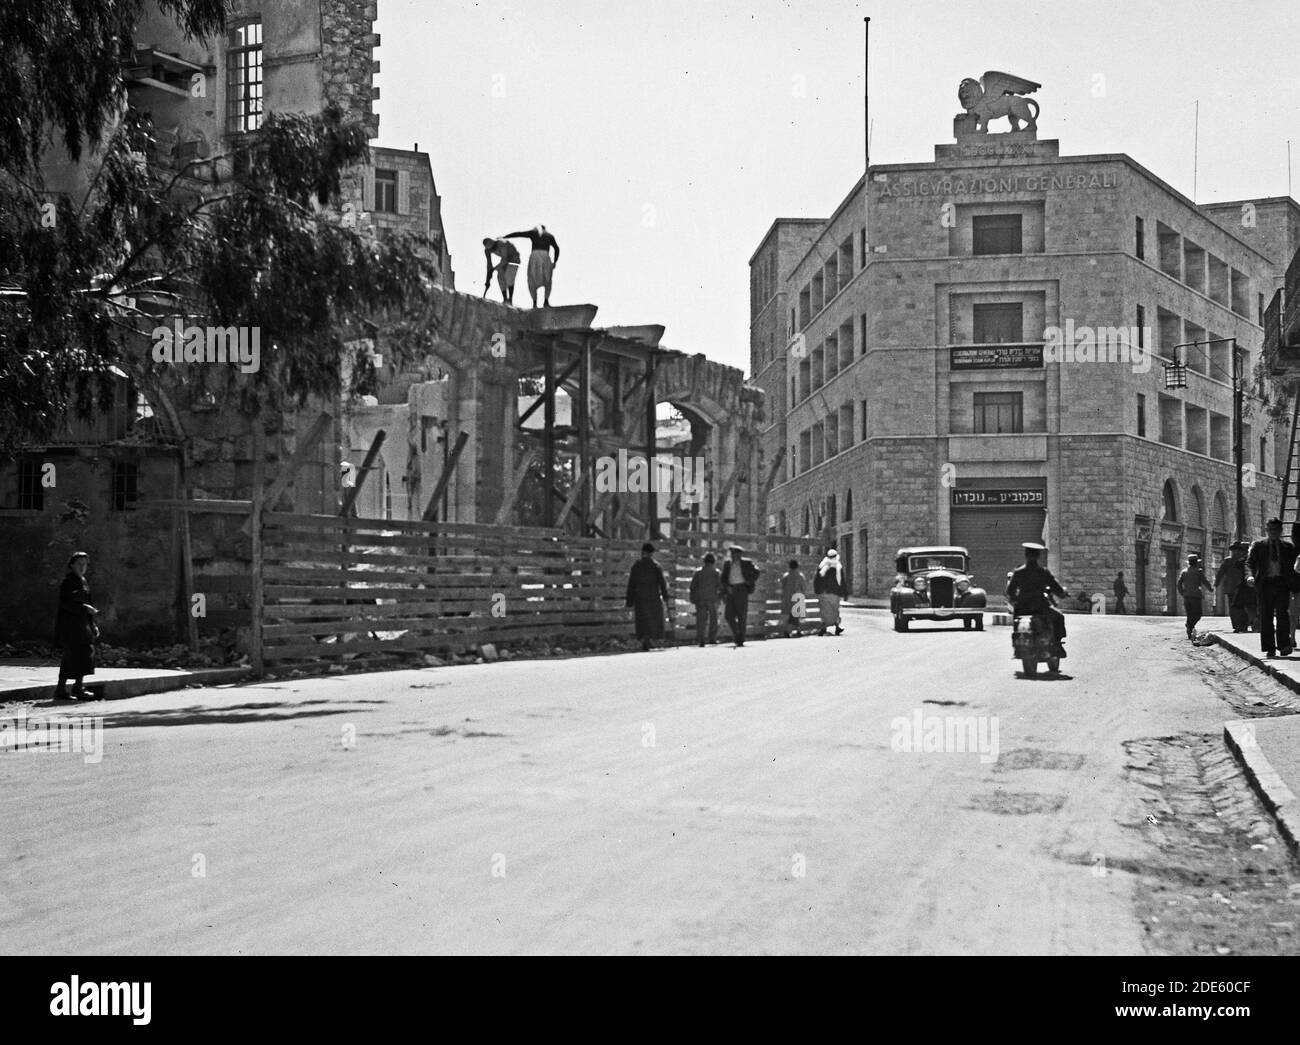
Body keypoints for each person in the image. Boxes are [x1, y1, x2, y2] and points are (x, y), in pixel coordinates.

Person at [1246, 518, 1298, 657]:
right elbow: (1249, 563)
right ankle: (1269, 647)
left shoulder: (1288, 548)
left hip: (1282, 584)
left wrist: (1294, 584)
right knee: (1266, 616)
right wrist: (1250, 576)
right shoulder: (1258, 546)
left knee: (1282, 614)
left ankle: (1284, 645)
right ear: (1266, 530)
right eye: (1270, 530)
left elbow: (1294, 568)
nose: (1272, 532)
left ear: (1280, 531)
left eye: (1275, 530)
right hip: (1265, 585)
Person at [1005, 542, 1068, 656]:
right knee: (1059, 617)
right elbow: (1056, 588)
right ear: (1038, 556)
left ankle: (1017, 646)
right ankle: (1058, 644)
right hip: (1040, 607)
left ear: (1026, 555)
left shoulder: (1019, 572)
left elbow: (1010, 591)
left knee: (1016, 621)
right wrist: (1063, 594)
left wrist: (1016, 600)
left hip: (1022, 607)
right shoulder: (1043, 572)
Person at [54, 551, 99, 700]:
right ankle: (60, 689)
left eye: (85, 564)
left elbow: (89, 603)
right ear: (72, 565)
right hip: (70, 625)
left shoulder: (84, 581)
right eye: (79, 564)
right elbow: (66, 603)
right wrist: (83, 608)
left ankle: (78, 687)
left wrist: (93, 625)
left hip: (83, 625)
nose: (82, 567)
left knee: (85, 656)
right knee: (71, 656)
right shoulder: (68, 582)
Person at [626, 542, 670, 651]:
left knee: (642, 619)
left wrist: (629, 600)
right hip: (653, 597)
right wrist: (665, 596)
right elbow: (662, 582)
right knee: (653, 618)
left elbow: (631, 584)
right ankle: (650, 638)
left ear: (643, 552)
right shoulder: (656, 565)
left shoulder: (636, 566)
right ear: (651, 553)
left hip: (640, 597)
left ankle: (645, 639)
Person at [503, 225, 560, 308]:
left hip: (535, 257)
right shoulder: (549, 235)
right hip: (545, 257)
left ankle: (535, 303)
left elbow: (519, 234)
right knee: (547, 279)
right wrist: (555, 261)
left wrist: (505, 237)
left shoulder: (534, 232)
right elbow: (557, 248)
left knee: (532, 278)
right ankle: (545, 301)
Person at [720, 544, 760, 647]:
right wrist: (726, 587)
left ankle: (740, 639)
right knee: (728, 615)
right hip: (731, 589)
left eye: (736, 553)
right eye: (732, 553)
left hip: (742, 589)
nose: (734, 555)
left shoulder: (746, 563)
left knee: (741, 615)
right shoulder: (727, 564)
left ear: (739, 554)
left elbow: (757, 571)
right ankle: (737, 632)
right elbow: (723, 578)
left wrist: (749, 581)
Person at [1215, 542, 1250, 633]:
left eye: (1238, 550)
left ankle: (1243, 625)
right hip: (1231, 588)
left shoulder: (1244, 560)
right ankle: (1237, 626)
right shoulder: (1228, 561)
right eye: (1234, 550)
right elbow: (1221, 572)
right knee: (1234, 608)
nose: (1236, 552)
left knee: (1242, 607)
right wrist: (1216, 583)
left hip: (1242, 587)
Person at [688, 552, 722, 646]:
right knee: (713, 620)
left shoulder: (698, 572)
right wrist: (720, 597)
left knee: (701, 620)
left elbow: (693, 586)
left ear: (704, 561)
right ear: (713, 562)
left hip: (701, 599)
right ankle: (712, 638)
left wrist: (692, 597)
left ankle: (701, 639)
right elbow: (720, 586)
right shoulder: (716, 572)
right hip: (712, 599)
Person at [1176, 553, 1213, 640]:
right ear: (1196, 562)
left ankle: (1190, 630)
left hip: (1187, 596)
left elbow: (1178, 584)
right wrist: (1210, 588)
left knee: (1189, 614)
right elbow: (1205, 581)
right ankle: (1190, 626)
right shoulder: (1198, 571)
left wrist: (1182, 593)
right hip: (1196, 596)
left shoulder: (1184, 572)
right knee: (1198, 614)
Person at [813, 548, 846, 636]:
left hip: (823, 593)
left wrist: (817, 590)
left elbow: (817, 579)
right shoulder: (838, 566)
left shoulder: (822, 566)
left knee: (824, 611)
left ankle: (823, 628)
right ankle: (837, 627)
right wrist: (844, 592)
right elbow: (842, 581)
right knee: (835, 610)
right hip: (834, 592)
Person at [482, 236, 521, 304]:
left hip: (514, 259)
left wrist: (494, 269)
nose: (492, 250)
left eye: (492, 248)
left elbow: (505, 259)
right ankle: (505, 299)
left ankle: (510, 299)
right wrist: (488, 278)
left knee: (509, 275)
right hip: (504, 261)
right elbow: (489, 265)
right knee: (500, 277)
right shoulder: (487, 250)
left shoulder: (502, 243)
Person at [779, 560, 808, 637]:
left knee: (791, 615)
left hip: (788, 598)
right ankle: (791, 631)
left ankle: (794, 630)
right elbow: (804, 587)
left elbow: (782, 586)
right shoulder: (800, 576)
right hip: (798, 597)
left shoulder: (786, 576)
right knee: (795, 615)